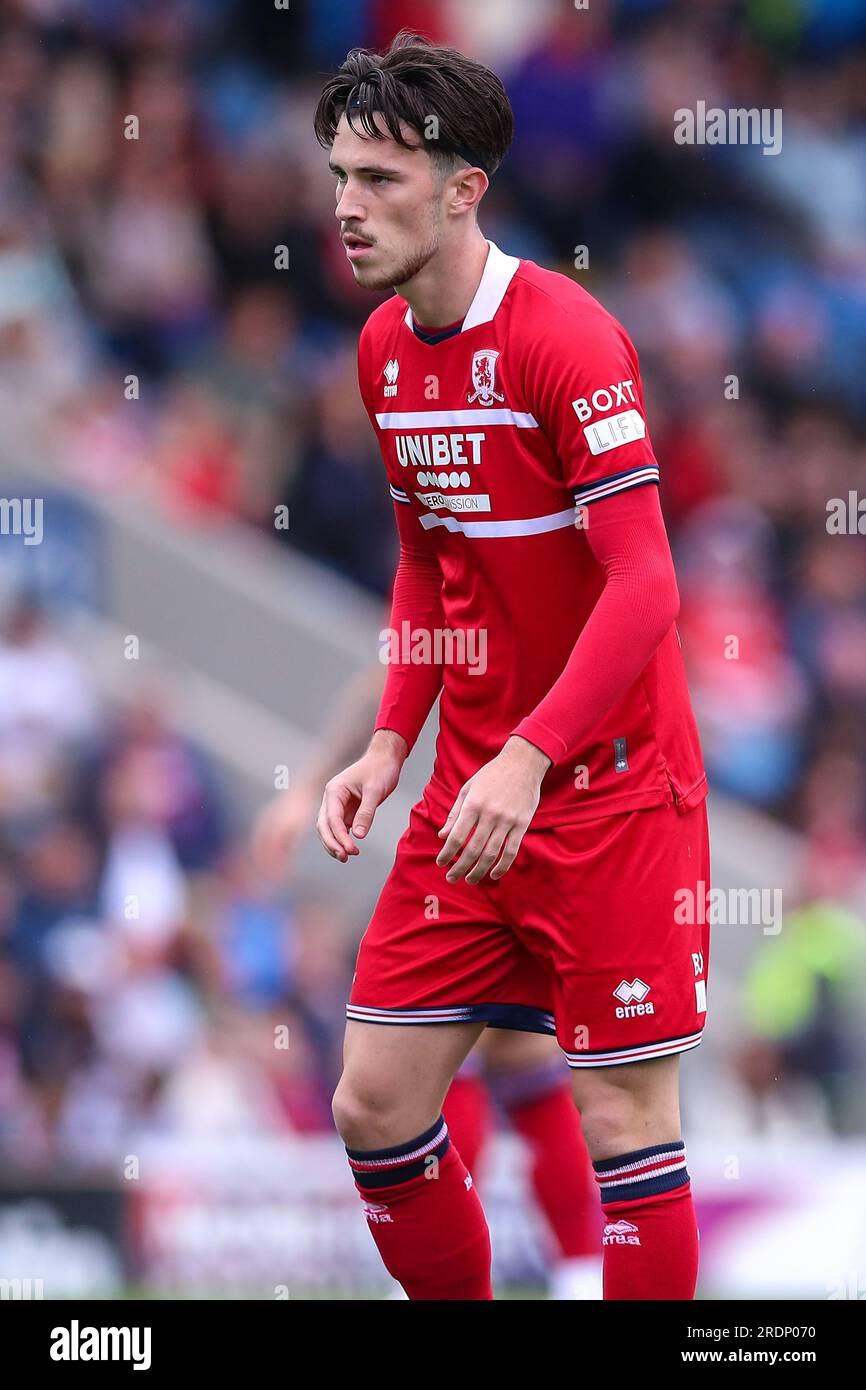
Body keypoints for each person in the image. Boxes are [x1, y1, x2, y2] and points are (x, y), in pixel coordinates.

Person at [311, 30, 710, 1300]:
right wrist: (388, 741)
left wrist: (531, 758)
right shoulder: (382, 352)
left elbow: (648, 582)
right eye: (338, 176)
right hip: (470, 792)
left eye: (379, 178)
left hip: (603, 793)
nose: (345, 206)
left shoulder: (568, 339)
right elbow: (432, 562)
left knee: (622, 1125)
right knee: (373, 1105)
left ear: (462, 187)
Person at [253, 663, 602, 1299]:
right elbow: (396, 671)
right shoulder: (471, 591)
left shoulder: (555, 580)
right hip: (511, 837)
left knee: (451, 1057)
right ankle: (571, 1272)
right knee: (496, 1055)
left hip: (519, 835)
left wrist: (304, 788)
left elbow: (393, 669)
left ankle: (478, 1277)